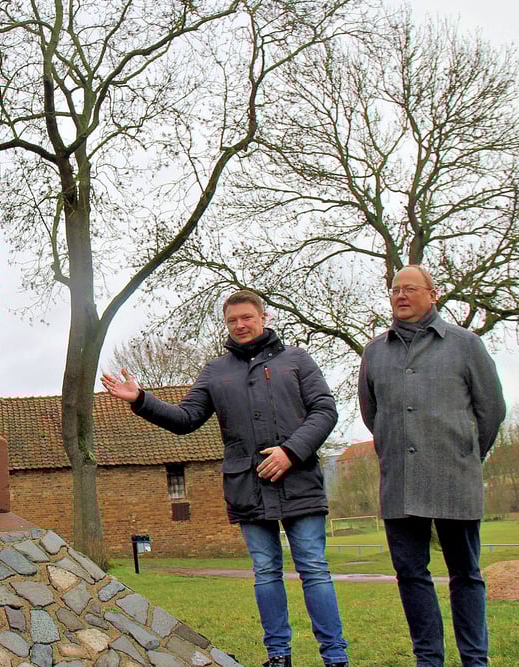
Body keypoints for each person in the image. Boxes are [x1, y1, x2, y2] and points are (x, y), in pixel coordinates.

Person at [102, 290, 348, 667]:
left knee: (313, 568)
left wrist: (290, 451)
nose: (240, 325)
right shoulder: (216, 371)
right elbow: (186, 420)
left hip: (299, 480)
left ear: (263, 317)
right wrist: (141, 399)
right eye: (232, 321)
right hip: (247, 486)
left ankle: (335, 657)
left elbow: (324, 410)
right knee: (266, 572)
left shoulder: (296, 360)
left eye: (247, 317)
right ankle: (279, 656)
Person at [358, 265, 505, 667]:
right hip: (400, 483)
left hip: (454, 479)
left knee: (466, 573)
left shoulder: (465, 344)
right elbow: (373, 415)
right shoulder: (374, 352)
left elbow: (491, 410)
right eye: (394, 290)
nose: (400, 296)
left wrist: (465, 454)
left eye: (409, 289)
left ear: (432, 294)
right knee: (410, 574)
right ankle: (429, 659)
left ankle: (475, 659)